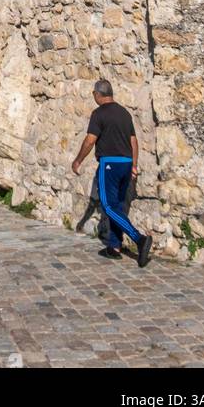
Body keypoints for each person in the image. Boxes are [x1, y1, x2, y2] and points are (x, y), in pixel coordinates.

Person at [71, 79, 152, 268]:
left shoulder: (99, 114)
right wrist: (134, 165)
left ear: (97, 94)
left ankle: (139, 239)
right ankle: (114, 247)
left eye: (94, 94)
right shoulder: (124, 113)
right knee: (117, 206)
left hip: (110, 163)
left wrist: (78, 160)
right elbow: (134, 141)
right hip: (126, 163)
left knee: (108, 206)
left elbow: (90, 140)